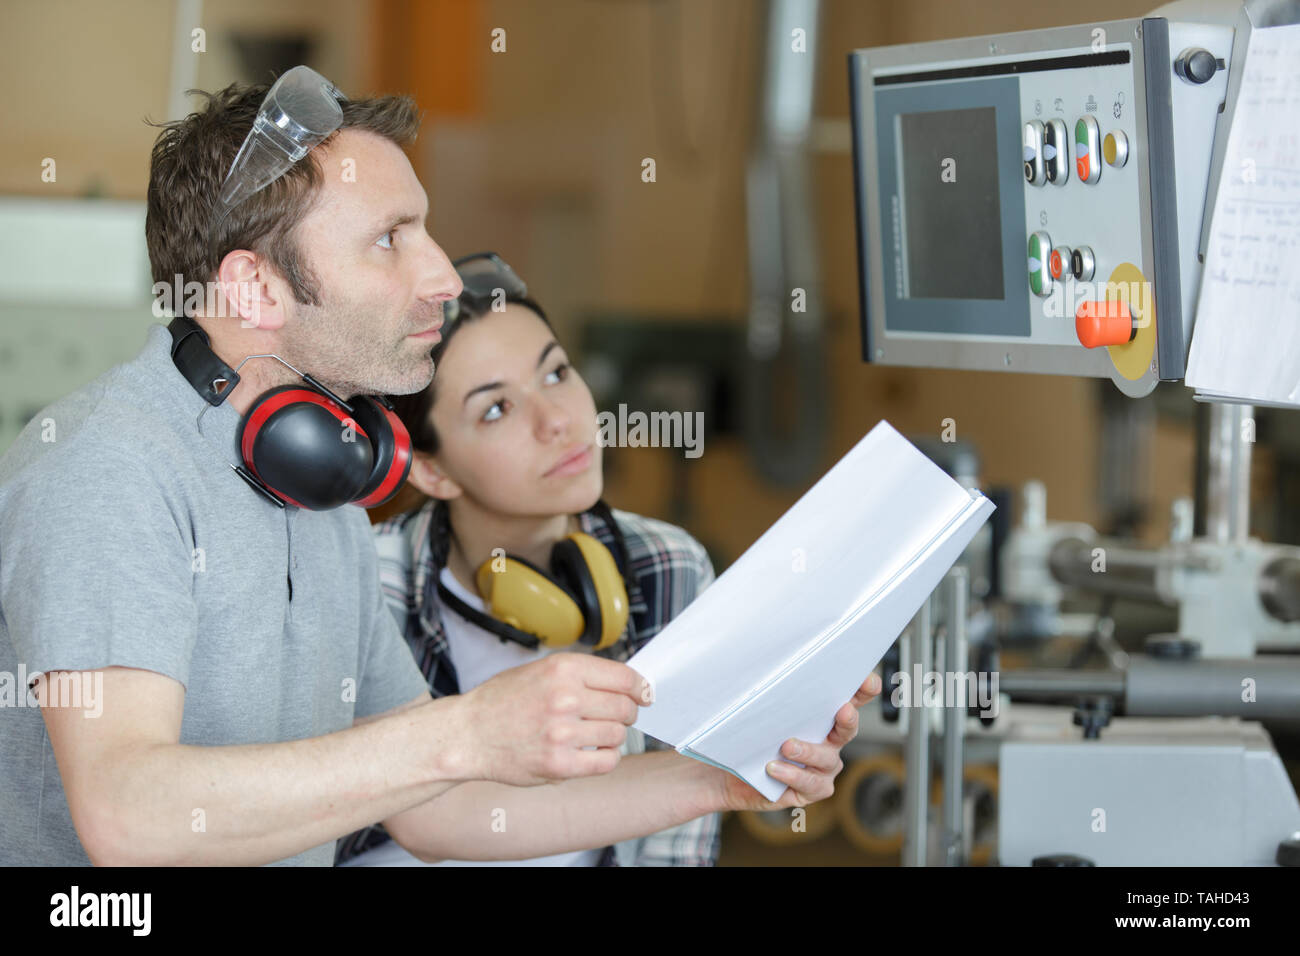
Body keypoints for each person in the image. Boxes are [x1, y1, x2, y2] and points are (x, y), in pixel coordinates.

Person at [0, 70, 880, 867]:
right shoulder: (108, 469)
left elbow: (441, 811)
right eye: (390, 241)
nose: (441, 277)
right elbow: (127, 815)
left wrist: (720, 782)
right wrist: (465, 733)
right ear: (254, 290)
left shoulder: (324, 491)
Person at [340, 254, 724, 865]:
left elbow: (671, 852)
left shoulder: (669, 567)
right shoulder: (368, 580)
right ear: (431, 469)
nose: (557, 422)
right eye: (496, 409)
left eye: (556, 374)